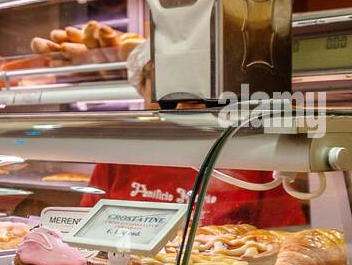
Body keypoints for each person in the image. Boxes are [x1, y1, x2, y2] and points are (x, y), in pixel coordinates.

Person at [79, 41, 306, 227]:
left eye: (195, 85)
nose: (182, 104)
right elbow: (85, 231)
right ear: (143, 89)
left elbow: (283, 243)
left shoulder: (256, 158)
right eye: (166, 87)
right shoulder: (121, 155)